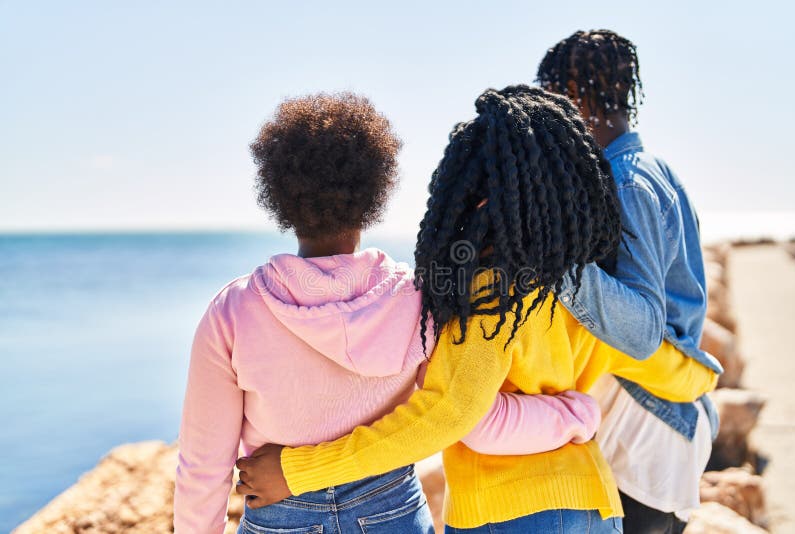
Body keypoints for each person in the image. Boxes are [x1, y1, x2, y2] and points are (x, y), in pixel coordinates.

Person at [234, 86, 719, 533]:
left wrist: (298, 471)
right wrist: (705, 376)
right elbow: (668, 369)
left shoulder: (490, 293)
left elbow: (445, 414)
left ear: (472, 189)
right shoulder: (593, 290)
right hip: (595, 508)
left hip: (508, 515)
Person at [173, 92, 603, 534]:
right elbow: (471, 420)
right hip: (392, 513)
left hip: (281, 513)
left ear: (278, 195)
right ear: (373, 194)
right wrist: (578, 415)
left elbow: (203, 468)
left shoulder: (233, 311)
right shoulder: (416, 301)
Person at [536, 29, 724, 532]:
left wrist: (549, 259)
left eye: (553, 96)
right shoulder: (653, 170)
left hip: (644, 434)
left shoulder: (623, 183)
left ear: (575, 91)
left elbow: (642, 329)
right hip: (663, 420)